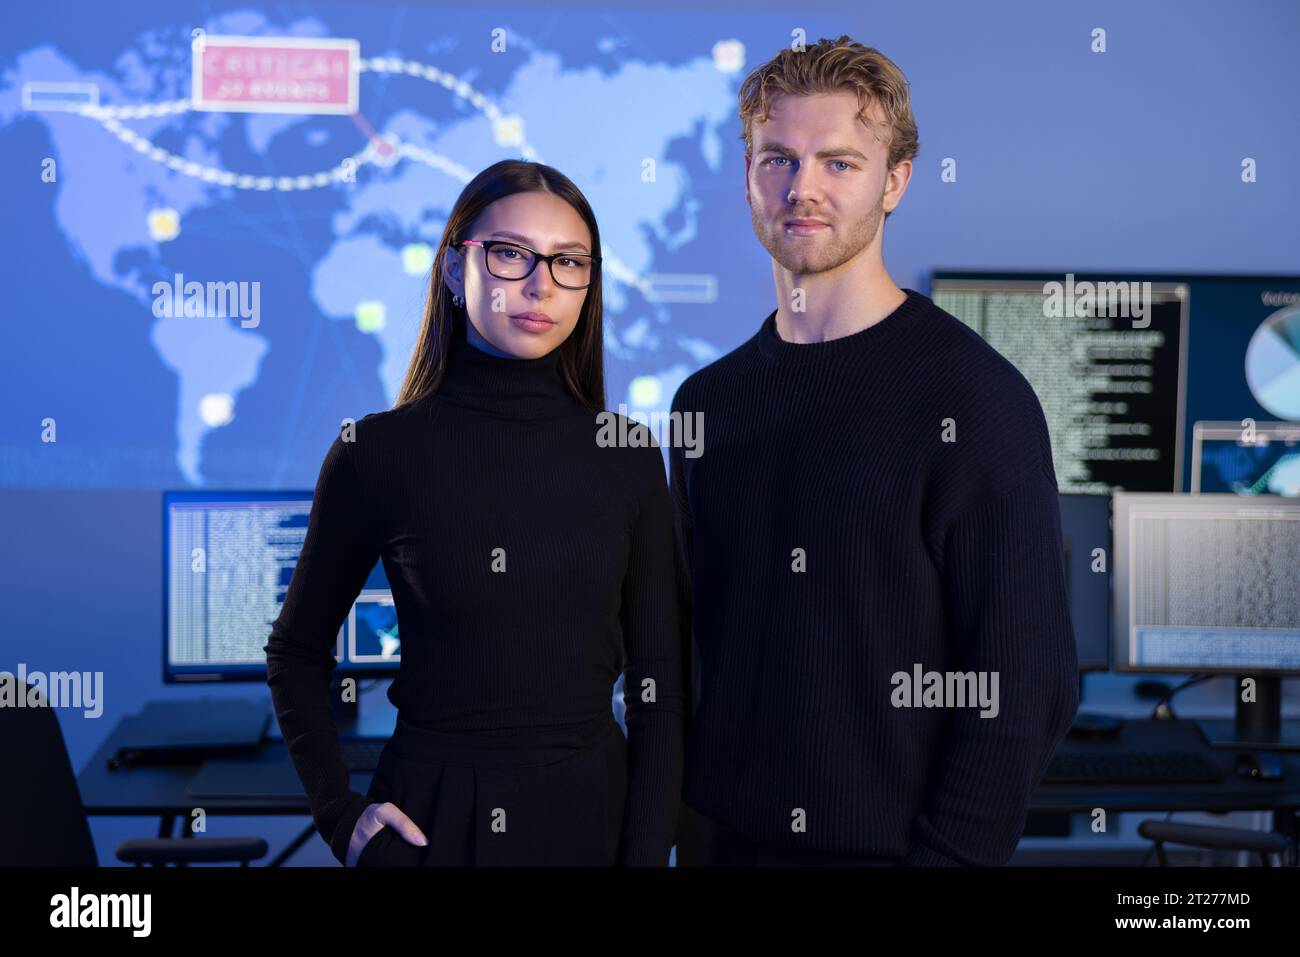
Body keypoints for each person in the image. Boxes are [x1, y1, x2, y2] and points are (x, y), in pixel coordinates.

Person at [669, 36, 1079, 867]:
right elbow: (693, 655)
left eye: (840, 163)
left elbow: (1025, 684)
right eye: (779, 159)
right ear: (747, 175)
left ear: (895, 181)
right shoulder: (706, 404)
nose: (802, 188)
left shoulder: (975, 401)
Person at [264, 159, 686, 867]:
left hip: (592, 820)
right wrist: (340, 815)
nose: (541, 284)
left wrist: (643, 858)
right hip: (432, 825)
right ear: (455, 270)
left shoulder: (627, 457)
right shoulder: (377, 453)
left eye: (568, 262)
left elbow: (660, 685)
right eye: (511, 254)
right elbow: (296, 651)